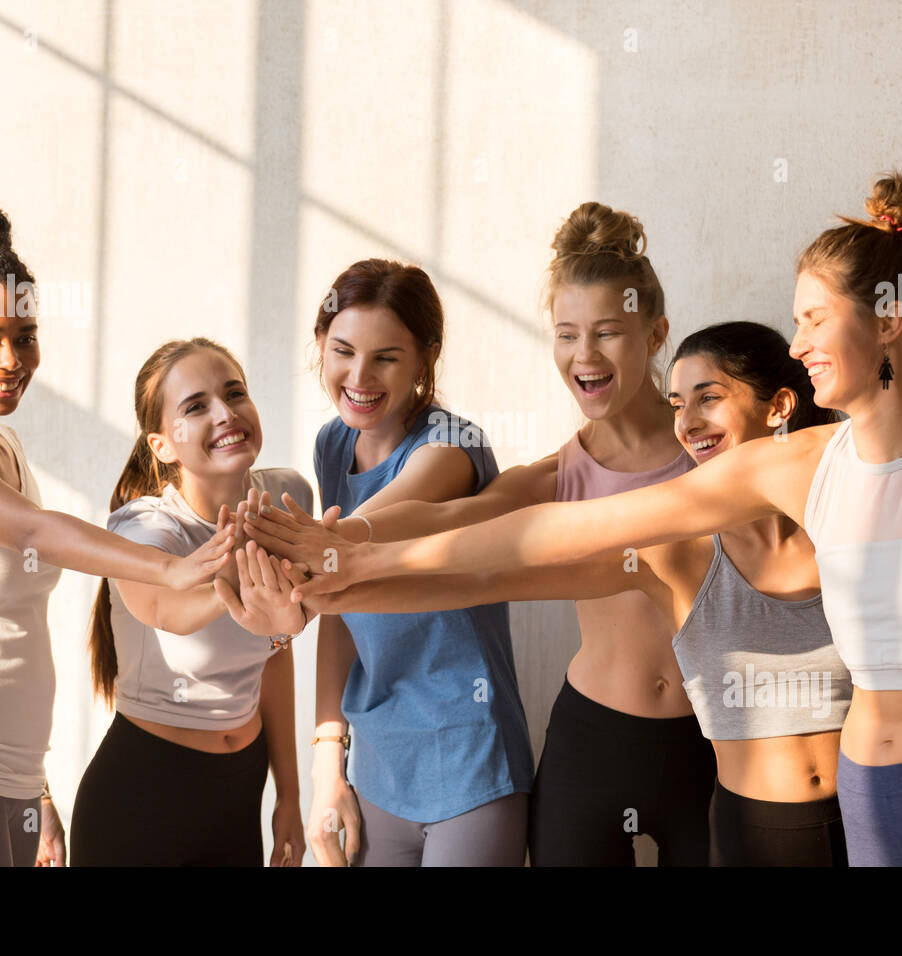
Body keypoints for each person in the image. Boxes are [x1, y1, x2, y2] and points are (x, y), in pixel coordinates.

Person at [279, 174, 902, 867]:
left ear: (889, 320)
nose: (802, 341)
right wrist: (345, 553)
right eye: (797, 321)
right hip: (865, 799)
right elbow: (547, 541)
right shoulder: (788, 468)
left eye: (815, 320)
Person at [258, 322, 853, 865]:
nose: (688, 422)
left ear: (779, 408)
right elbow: (496, 569)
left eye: (710, 398)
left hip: (860, 815)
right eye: (678, 403)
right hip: (747, 828)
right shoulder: (670, 549)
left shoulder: (849, 519)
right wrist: (335, 587)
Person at [261, 203, 717, 866]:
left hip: (707, 740)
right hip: (592, 739)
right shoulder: (559, 474)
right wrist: (341, 542)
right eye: (566, 334)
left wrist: (335, 551)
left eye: (607, 333)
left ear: (656, 333)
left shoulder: (714, 453)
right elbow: (450, 520)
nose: (583, 355)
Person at [0, 195, 234, 867]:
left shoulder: (6, 454)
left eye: (25, 337)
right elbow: (36, 529)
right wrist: (172, 567)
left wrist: (36, 791)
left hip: (7, 785)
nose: (11, 359)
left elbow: (6, 640)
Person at [305, 258, 534, 866]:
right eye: (343, 350)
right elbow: (340, 610)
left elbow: (392, 515)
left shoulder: (455, 444)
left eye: (386, 357)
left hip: (469, 756)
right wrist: (328, 761)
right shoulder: (333, 444)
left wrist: (320, 546)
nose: (359, 376)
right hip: (377, 763)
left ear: (425, 359)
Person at [70, 339, 312, 866]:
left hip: (240, 789)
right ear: (161, 445)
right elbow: (167, 611)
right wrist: (240, 567)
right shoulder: (144, 528)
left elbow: (274, 650)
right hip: (142, 797)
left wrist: (289, 794)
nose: (226, 414)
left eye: (235, 394)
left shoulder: (289, 497)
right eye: (196, 406)